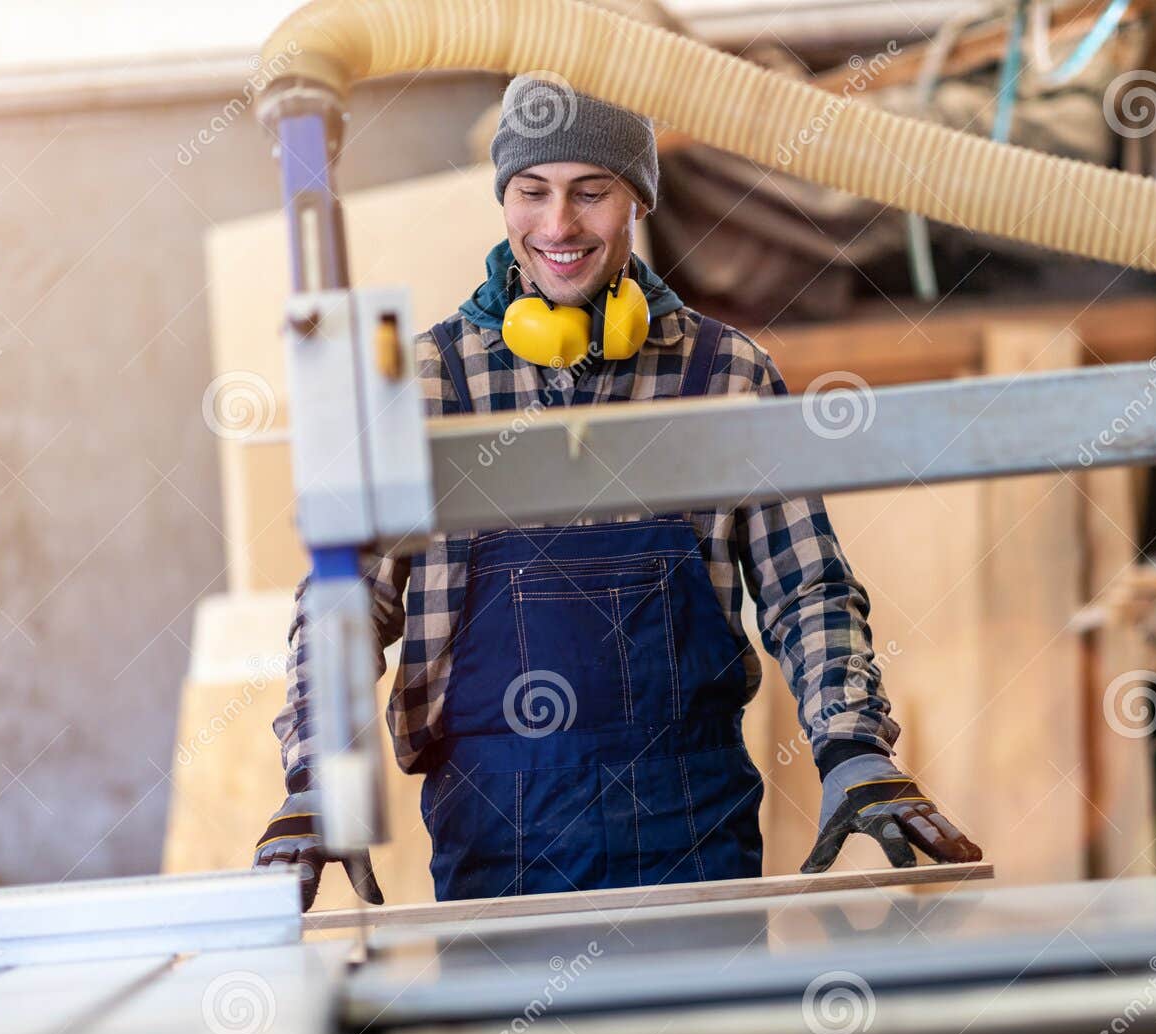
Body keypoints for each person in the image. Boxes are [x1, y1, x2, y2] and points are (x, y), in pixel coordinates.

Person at [253, 74, 982, 911]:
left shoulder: (725, 375)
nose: (558, 226)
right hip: (496, 849)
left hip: (695, 840)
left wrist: (854, 747)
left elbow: (806, 587)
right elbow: (345, 604)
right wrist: (314, 778)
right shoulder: (426, 383)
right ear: (502, 199)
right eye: (532, 192)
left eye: (590, 193)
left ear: (637, 197)